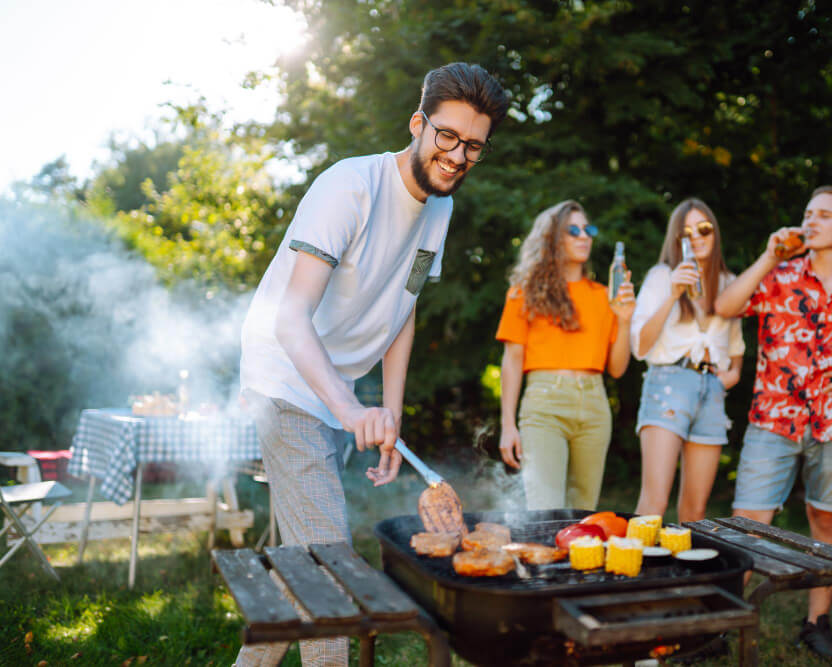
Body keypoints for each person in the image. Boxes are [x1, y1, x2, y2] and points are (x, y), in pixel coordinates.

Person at [237, 63, 508, 666]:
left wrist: (389, 409)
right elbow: (289, 318)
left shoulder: (439, 208)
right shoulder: (350, 187)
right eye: (446, 135)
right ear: (418, 124)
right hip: (285, 381)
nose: (457, 155)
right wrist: (348, 406)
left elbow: (401, 308)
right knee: (331, 574)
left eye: (473, 146)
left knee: (301, 567)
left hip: (336, 390)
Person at [715, 185, 832, 663]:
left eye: (824, 215)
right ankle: (721, 623)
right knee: (746, 525)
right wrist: (768, 257)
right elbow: (726, 307)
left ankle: (816, 624)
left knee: (826, 520)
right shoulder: (779, 275)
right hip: (774, 418)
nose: (811, 221)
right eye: (807, 213)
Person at [496, 200, 635, 510]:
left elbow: (617, 368)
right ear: (553, 238)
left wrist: (625, 320)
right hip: (544, 405)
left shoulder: (604, 296)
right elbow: (512, 360)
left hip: (595, 406)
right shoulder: (524, 291)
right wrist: (508, 425)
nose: (584, 236)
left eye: (588, 229)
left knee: (584, 514)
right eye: (574, 230)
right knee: (545, 512)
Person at [630, 198, 744, 523]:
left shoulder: (729, 282)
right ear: (676, 239)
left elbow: (737, 348)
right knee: (654, 504)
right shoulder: (661, 276)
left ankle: (682, 575)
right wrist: (673, 293)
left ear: (714, 232)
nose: (696, 237)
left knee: (695, 513)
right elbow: (640, 346)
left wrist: (730, 376)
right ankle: (634, 574)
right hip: (669, 383)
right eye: (686, 232)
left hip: (712, 390)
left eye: (703, 228)